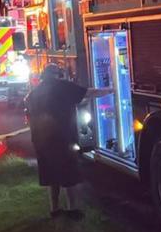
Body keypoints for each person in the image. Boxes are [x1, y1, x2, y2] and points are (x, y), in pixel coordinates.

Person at [25, 65, 109, 219]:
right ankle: (72, 210)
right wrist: (113, 89)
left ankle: (54, 210)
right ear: (58, 75)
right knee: (69, 174)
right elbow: (89, 93)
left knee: (51, 175)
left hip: (40, 140)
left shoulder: (34, 93)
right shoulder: (62, 87)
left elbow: (28, 114)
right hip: (61, 138)